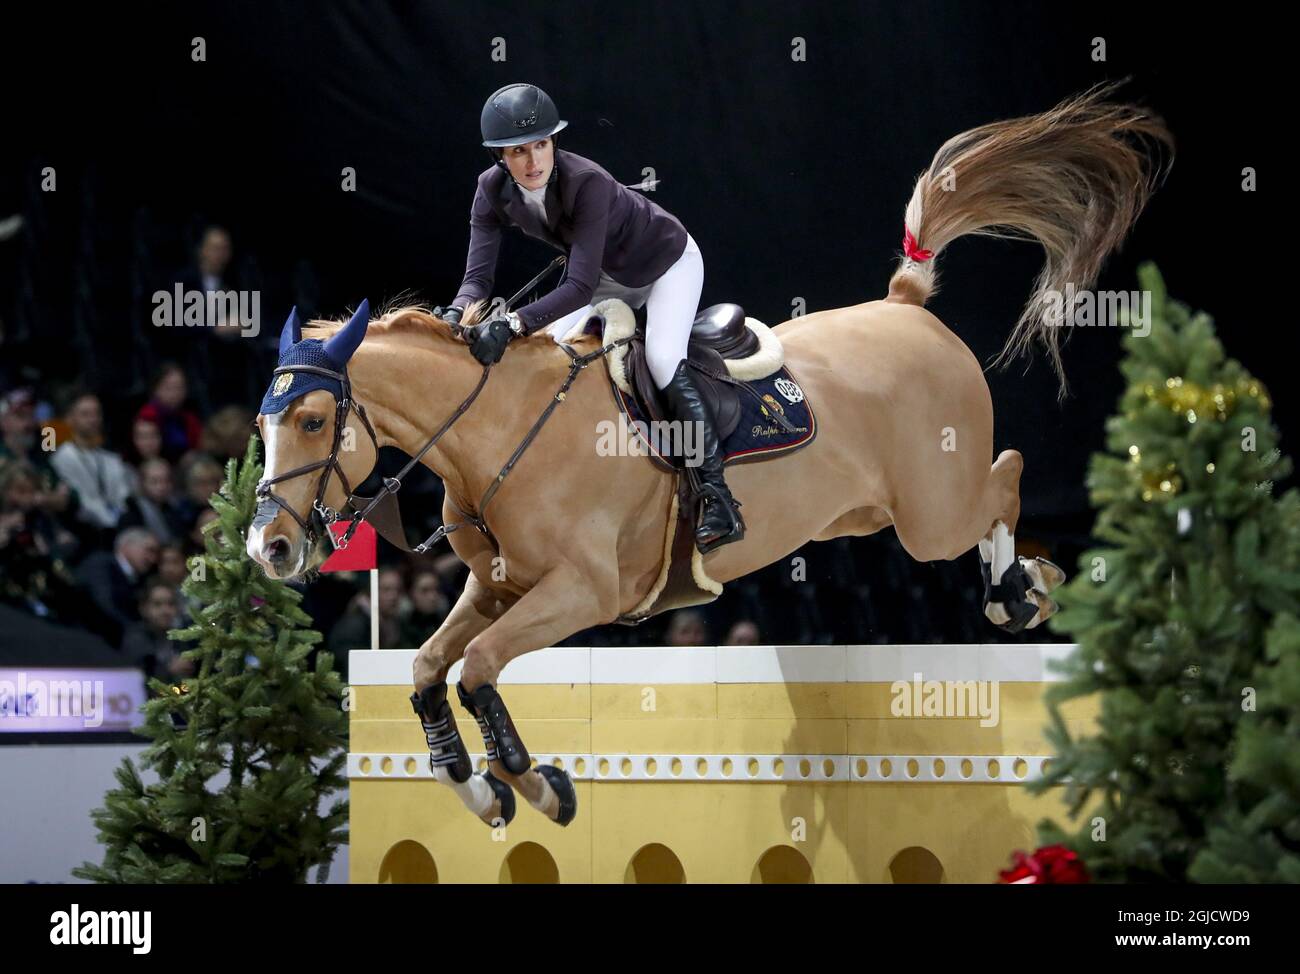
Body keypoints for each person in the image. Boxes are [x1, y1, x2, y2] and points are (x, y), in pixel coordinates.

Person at [436, 83, 744, 553]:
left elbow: (577, 288)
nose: (534, 161)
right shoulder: (490, 190)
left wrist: (512, 323)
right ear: (500, 156)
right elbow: (476, 278)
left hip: (666, 264)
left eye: (542, 144)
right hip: (604, 275)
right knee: (547, 357)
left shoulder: (587, 182)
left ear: (554, 142)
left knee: (662, 360)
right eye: (519, 151)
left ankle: (717, 497)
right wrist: (456, 313)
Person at [49, 391, 133, 542]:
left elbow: (122, 497)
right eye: (85, 414)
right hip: (86, 533)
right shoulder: (62, 457)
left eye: (96, 413)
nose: (93, 419)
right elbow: (82, 503)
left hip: (119, 529)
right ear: (70, 419)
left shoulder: (110, 459)